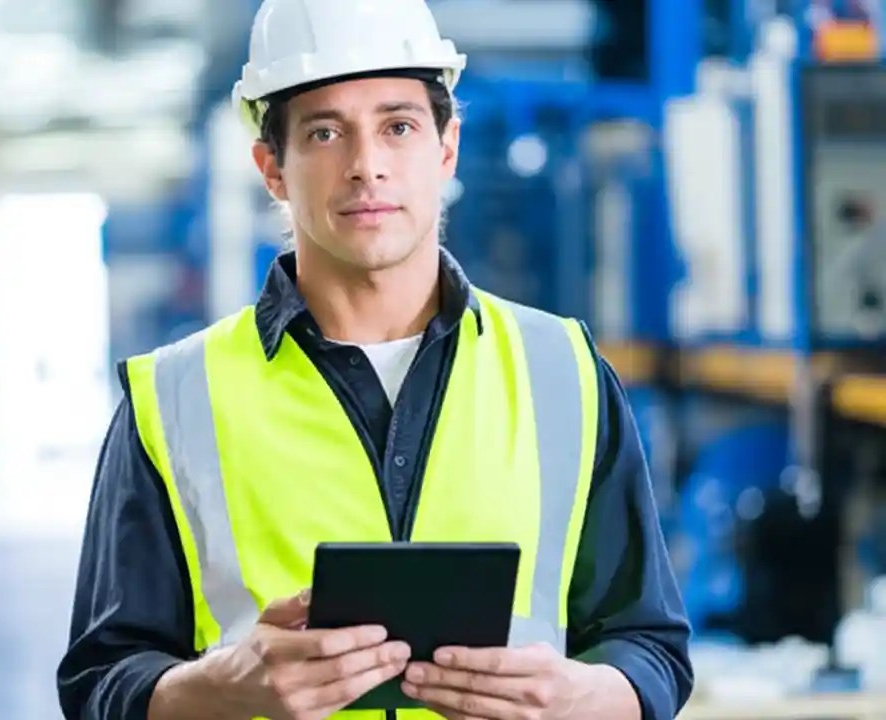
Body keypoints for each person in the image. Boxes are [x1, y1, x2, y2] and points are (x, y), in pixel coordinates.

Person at [57, 0, 694, 718]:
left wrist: (584, 696)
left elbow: (649, 649)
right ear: (272, 166)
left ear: (445, 147)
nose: (367, 167)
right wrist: (217, 690)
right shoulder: (171, 400)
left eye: (398, 126)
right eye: (326, 132)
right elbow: (98, 685)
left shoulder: (567, 374)